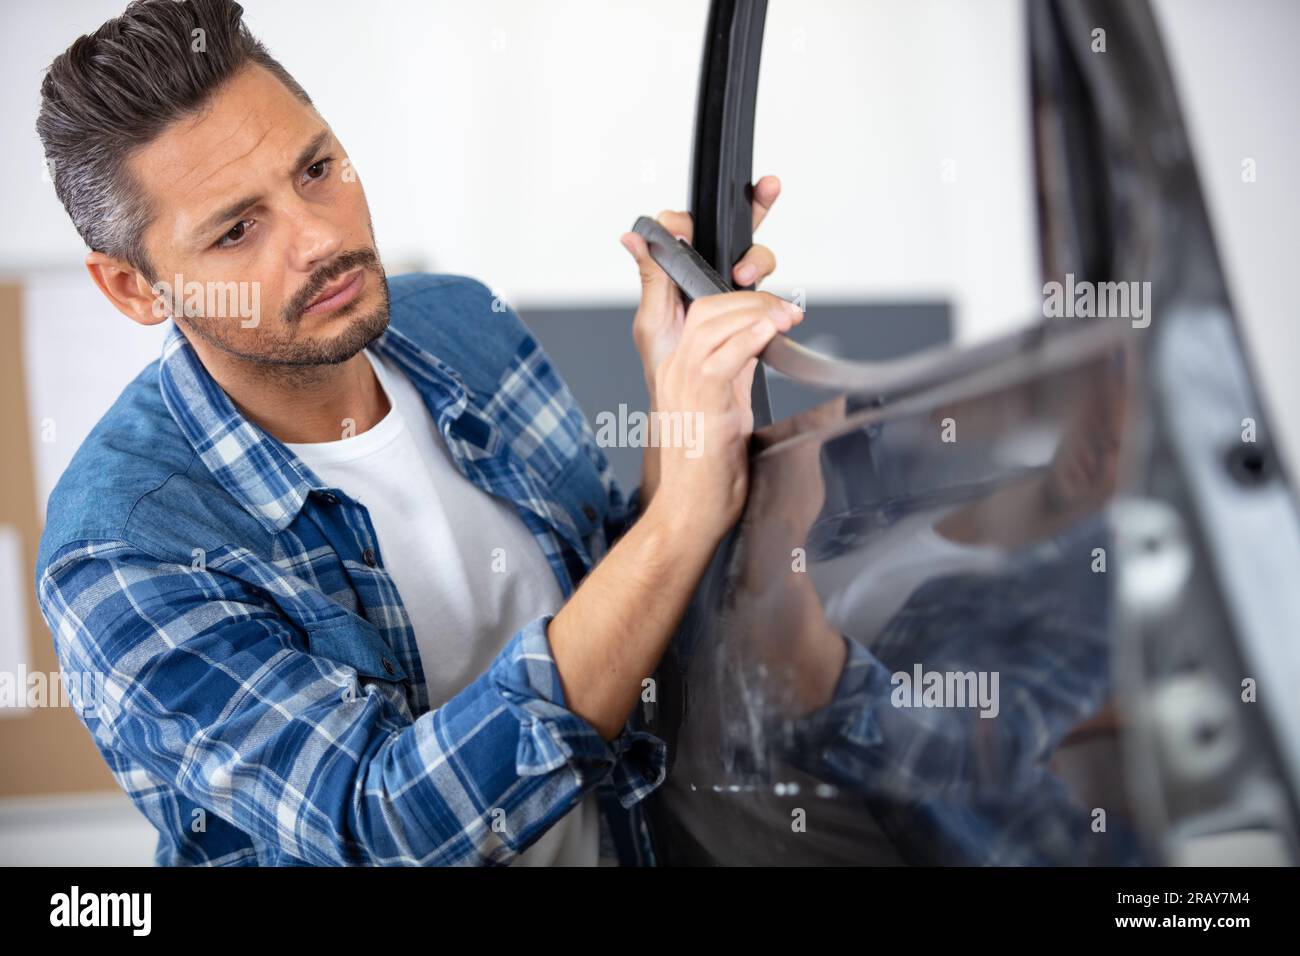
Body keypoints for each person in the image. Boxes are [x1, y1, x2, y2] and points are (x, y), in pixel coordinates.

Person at [32, 0, 813, 866]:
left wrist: (680, 393)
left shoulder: (460, 324)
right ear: (134, 290)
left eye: (318, 168)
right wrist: (679, 524)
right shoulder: (120, 551)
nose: (321, 236)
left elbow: (628, 598)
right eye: (238, 229)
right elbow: (384, 823)